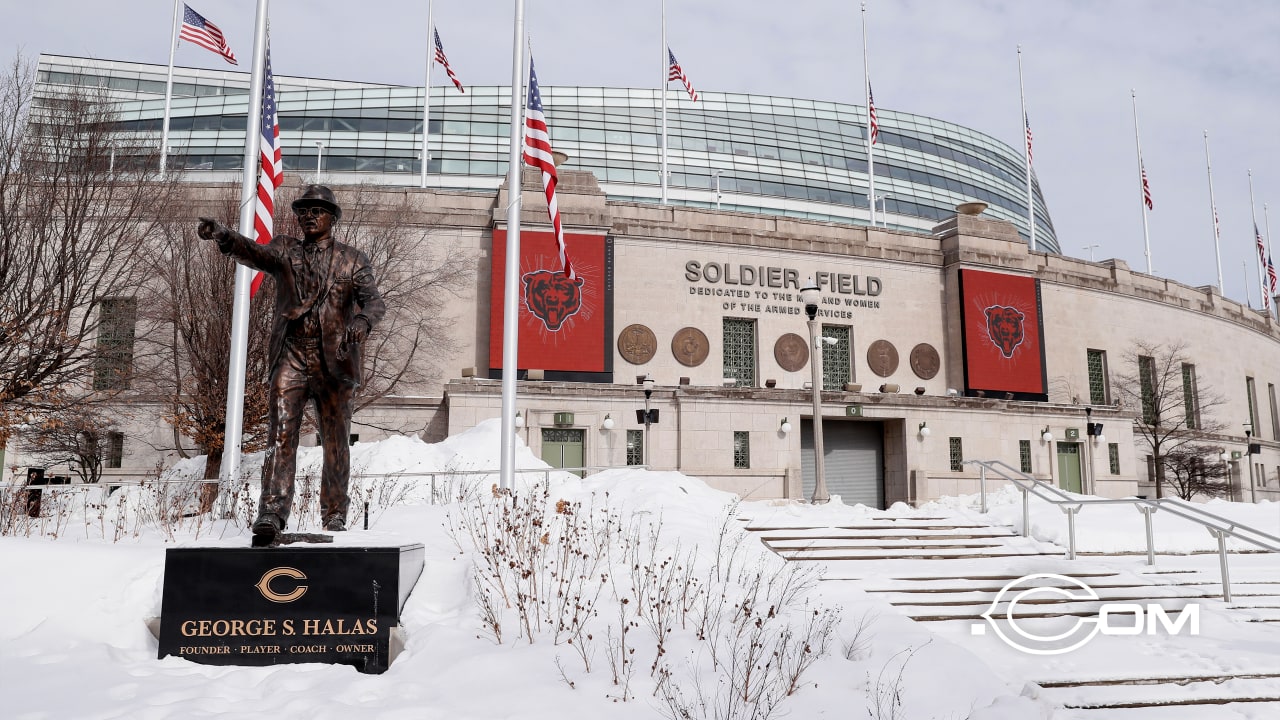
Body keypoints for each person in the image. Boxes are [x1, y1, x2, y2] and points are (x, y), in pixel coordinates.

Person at [198, 185, 385, 544]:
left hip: (335, 361)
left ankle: (334, 515)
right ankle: (271, 512)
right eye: (303, 210)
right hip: (292, 356)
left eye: (318, 210)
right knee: (280, 434)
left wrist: (362, 322)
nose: (309, 215)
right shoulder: (284, 249)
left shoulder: (353, 260)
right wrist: (225, 235)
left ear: (333, 217)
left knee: (335, 441)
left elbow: (374, 303)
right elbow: (253, 253)